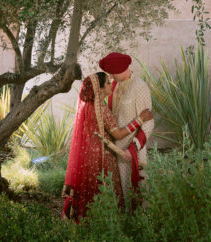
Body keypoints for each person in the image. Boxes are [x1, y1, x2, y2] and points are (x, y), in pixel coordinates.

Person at [61, 72, 153, 221]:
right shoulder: (102, 110)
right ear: (100, 89)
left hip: (86, 157)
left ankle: (84, 223)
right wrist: (140, 120)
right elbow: (118, 134)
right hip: (101, 156)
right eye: (108, 83)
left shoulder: (86, 107)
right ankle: (105, 223)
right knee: (103, 189)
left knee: (89, 189)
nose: (112, 85)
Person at [99, 51, 154, 206]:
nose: (110, 76)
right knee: (121, 195)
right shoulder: (114, 86)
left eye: (112, 73)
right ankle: (125, 227)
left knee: (139, 193)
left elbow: (148, 122)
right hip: (115, 151)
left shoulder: (140, 87)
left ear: (119, 69)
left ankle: (142, 226)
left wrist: (133, 148)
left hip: (133, 152)